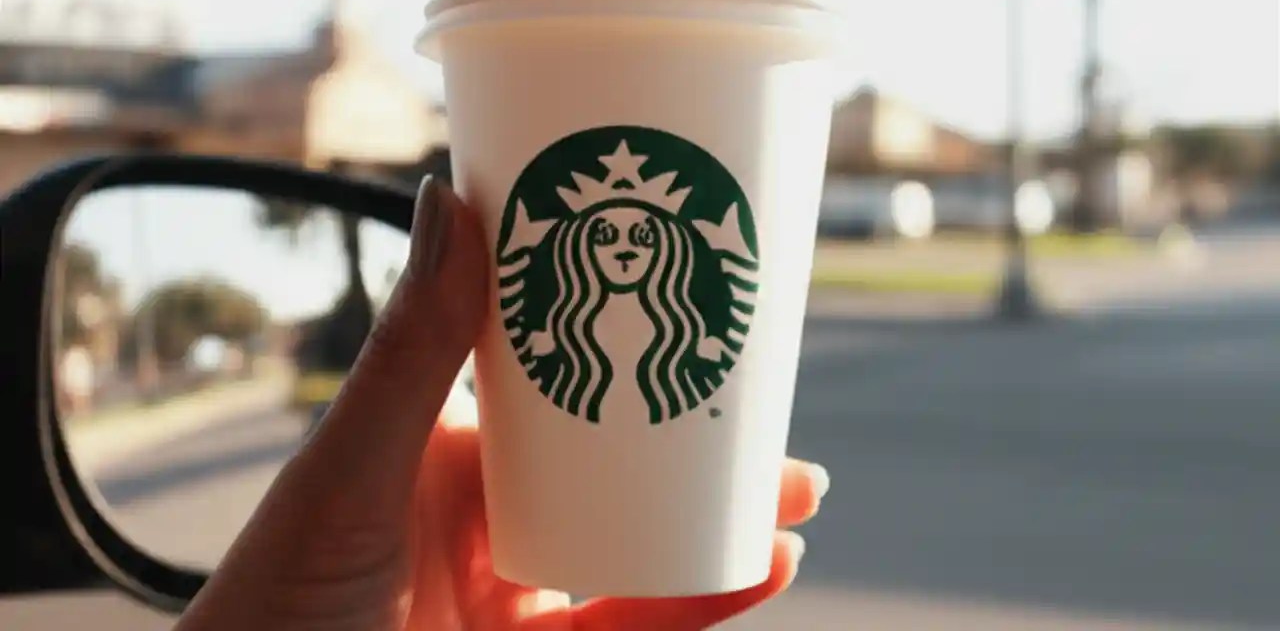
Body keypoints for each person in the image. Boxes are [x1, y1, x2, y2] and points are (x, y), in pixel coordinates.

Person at [174, 179, 831, 631]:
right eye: (604, 235)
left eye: (643, 238)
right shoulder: (570, 331)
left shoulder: (673, 333)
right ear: (577, 248)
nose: (626, 251)